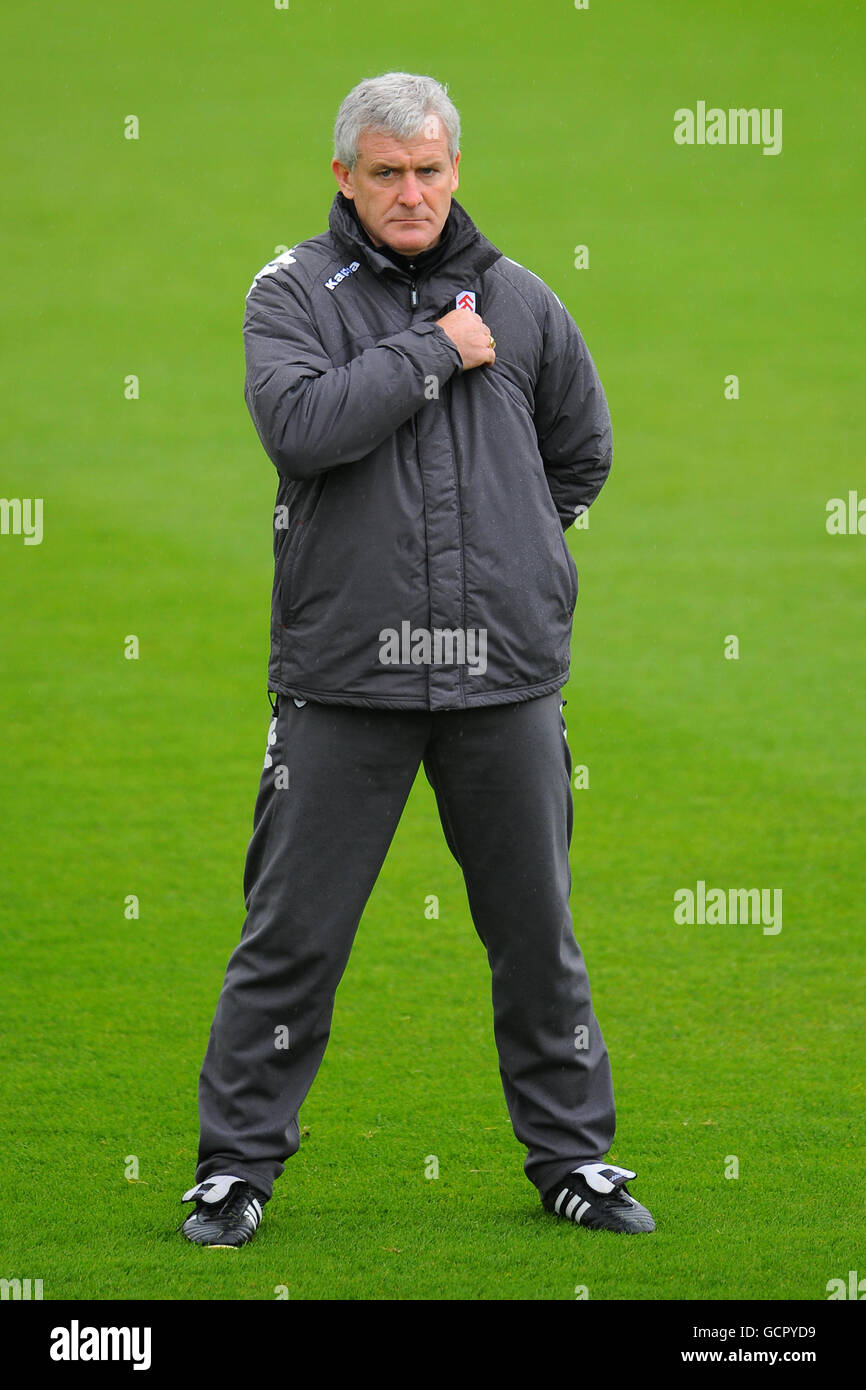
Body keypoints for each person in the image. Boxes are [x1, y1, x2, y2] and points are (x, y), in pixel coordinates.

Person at [178, 71, 655, 1248]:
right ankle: (233, 1170)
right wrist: (434, 352)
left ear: (455, 171)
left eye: (428, 169)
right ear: (343, 176)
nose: (410, 192)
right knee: (291, 937)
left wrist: (516, 550)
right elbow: (297, 426)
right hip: (346, 681)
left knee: (535, 935)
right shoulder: (290, 292)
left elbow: (578, 456)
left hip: (502, 680)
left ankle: (574, 1159)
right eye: (385, 172)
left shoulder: (525, 301)